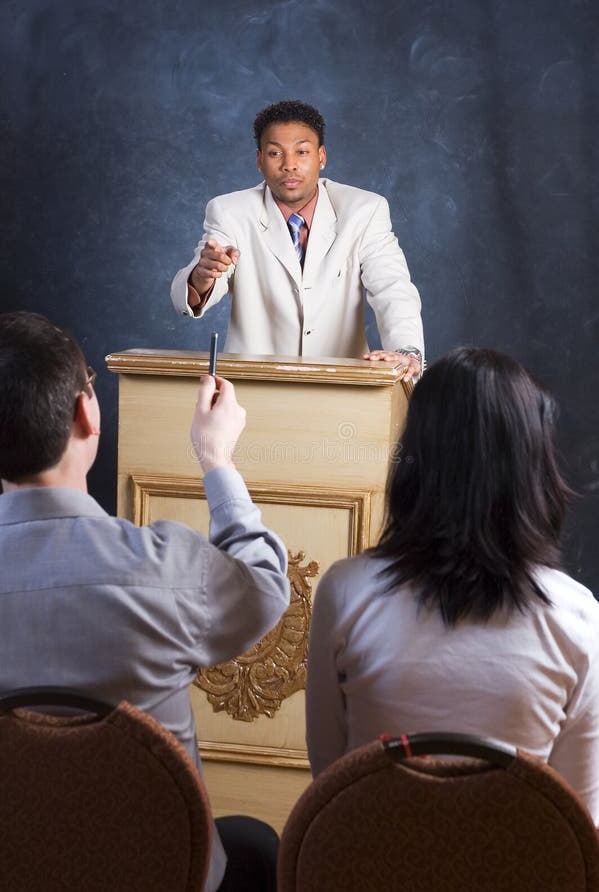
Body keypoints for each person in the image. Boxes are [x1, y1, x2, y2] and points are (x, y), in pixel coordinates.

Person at [0, 311, 291, 891]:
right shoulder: (165, 569)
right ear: (88, 412)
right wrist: (218, 461)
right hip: (158, 871)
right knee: (255, 845)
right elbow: (265, 589)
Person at [305, 346, 599, 823]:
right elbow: (579, 823)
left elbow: (330, 780)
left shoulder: (345, 592)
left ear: (416, 460)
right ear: (532, 465)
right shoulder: (579, 617)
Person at [171, 100, 424, 381]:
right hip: (255, 387)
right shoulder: (230, 211)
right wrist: (203, 276)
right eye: (275, 153)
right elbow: (200, 282)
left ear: (321, 156)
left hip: (341, 386)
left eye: (302, 152)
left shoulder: (364, 210)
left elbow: (392, 287)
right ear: (259, 160)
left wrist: (406, 351)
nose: (289, 165)